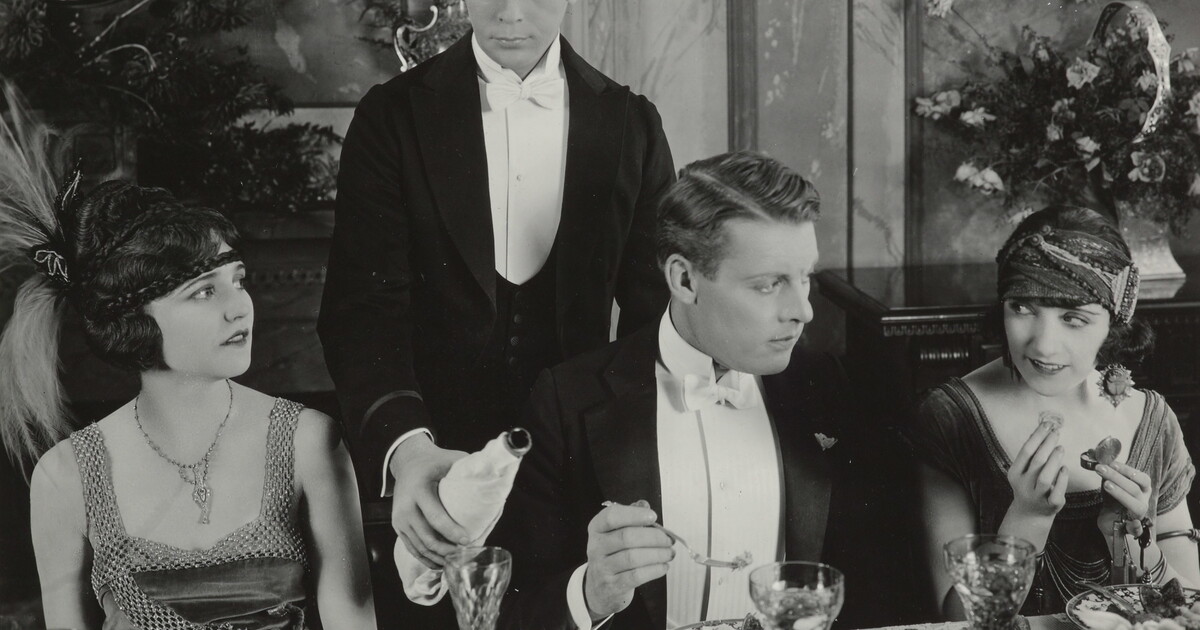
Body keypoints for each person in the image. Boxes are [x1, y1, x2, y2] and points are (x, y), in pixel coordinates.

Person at [318, 0, 674, 580]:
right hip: (432, 466)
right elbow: (362, 314)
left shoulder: (633, 123)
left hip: (583, 475)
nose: (510, 13)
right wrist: (409, 451)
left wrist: (631, 466)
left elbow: (654, 319)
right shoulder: (392, 115)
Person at [0, 85, 376, 630]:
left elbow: (353, 617)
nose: (239, 308)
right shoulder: (65, 476)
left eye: (239, 280)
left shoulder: (310, 441)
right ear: (135, 320)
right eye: (204, 291)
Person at [490, 152, 915, 630]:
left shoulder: (831, 389)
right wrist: (590, 594)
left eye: (804, 278)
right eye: (769, 284)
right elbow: (505, 613)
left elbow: (883, 592)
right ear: (685, 279)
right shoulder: (566, 400)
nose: (803, 311)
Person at [908, 205, 1200, 618]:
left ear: (1115, 322)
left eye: (1074, 318)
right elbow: (957, 618)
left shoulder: (1153, 420)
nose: (1043, 345)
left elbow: (1191, 608)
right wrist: (1026, 519)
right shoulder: (949, 417)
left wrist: (1135, 542)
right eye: (1023, 309)